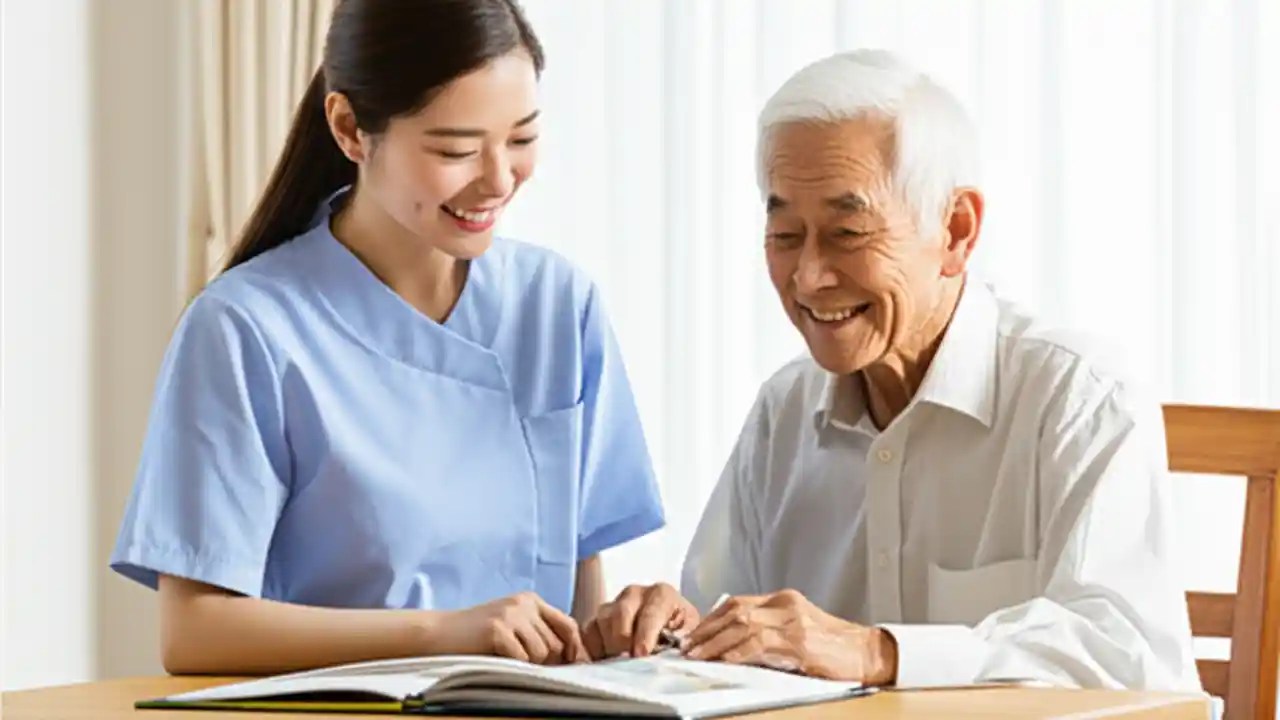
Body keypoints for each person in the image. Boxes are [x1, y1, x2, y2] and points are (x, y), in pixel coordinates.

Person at [582, 50, 1201, 692]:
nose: (809, 277)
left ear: (956, 231)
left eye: (847, 233)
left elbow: (1131, 659)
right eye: (786, 235)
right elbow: (729, 630)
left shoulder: (1077, 395)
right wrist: (680, 634)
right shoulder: (785, 408)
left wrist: (879, 652)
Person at [110, 0, 664, 675]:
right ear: (350, 129)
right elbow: (195, 633)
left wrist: (633, 634)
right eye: (456, 150)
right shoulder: (244, 329)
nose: (497, 179)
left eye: (521, 139)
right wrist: (442, 632)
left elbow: (576, 613)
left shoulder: (558, 307)